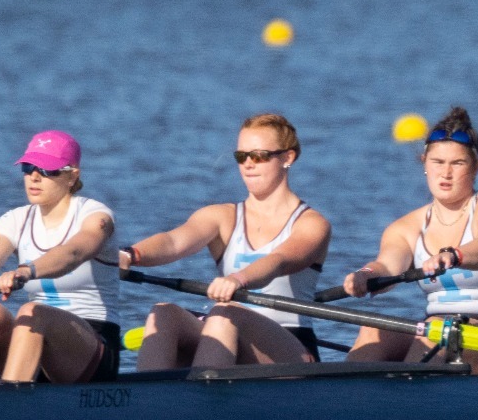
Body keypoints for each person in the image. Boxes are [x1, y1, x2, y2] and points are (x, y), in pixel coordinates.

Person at [121, 113, 333, 370]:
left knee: (226, 312)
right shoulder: (221, 217)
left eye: (259, 156)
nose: (248, 164)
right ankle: (151, 403)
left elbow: (279, 261)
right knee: (163, 312)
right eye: (241, 156)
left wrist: (238, 279)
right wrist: (131, 255)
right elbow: (173, 242)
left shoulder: (312, 224)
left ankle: (201, 401)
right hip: (224, 330)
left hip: (292, 348)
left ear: (287, 157)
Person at [341, 106, 478, 374]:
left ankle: (402, 402)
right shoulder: (406, 226)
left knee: (433, 332)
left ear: (476, 167)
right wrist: (365, 275)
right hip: (438, 328)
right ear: (424, 163)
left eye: (457, 163)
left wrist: (454, 255)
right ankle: (343, 399)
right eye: (437, 162)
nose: (446, 173)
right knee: (373, 331)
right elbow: (388, 266)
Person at [0, 130, 120, 382]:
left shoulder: (96, 216)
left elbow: (73, 252)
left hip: (93, 346)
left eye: (48, 170)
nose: (34, 177)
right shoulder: (16, 219)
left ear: (73, 176)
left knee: (33, 311)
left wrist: (27, 270)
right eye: (28, 168)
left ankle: (13, 408)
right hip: (33, 338)